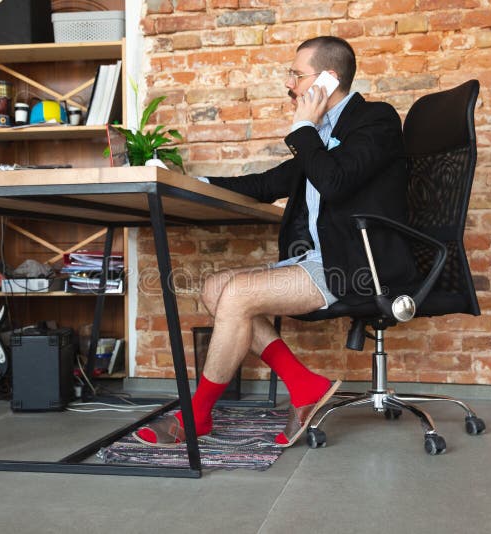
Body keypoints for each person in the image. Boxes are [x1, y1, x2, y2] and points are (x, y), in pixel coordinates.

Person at [134, 36, 414, 447]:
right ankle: (305, 386)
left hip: (359, 265)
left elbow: (335, 183)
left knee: (238, 295)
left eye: (297, 75)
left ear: (327, 79)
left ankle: (196, 417)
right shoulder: (322, 133)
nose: (289, 84)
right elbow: (267, 184)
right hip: (320, 260)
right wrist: (190, 182)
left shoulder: (376, 120)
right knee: (215, 288)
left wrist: (303, 128)